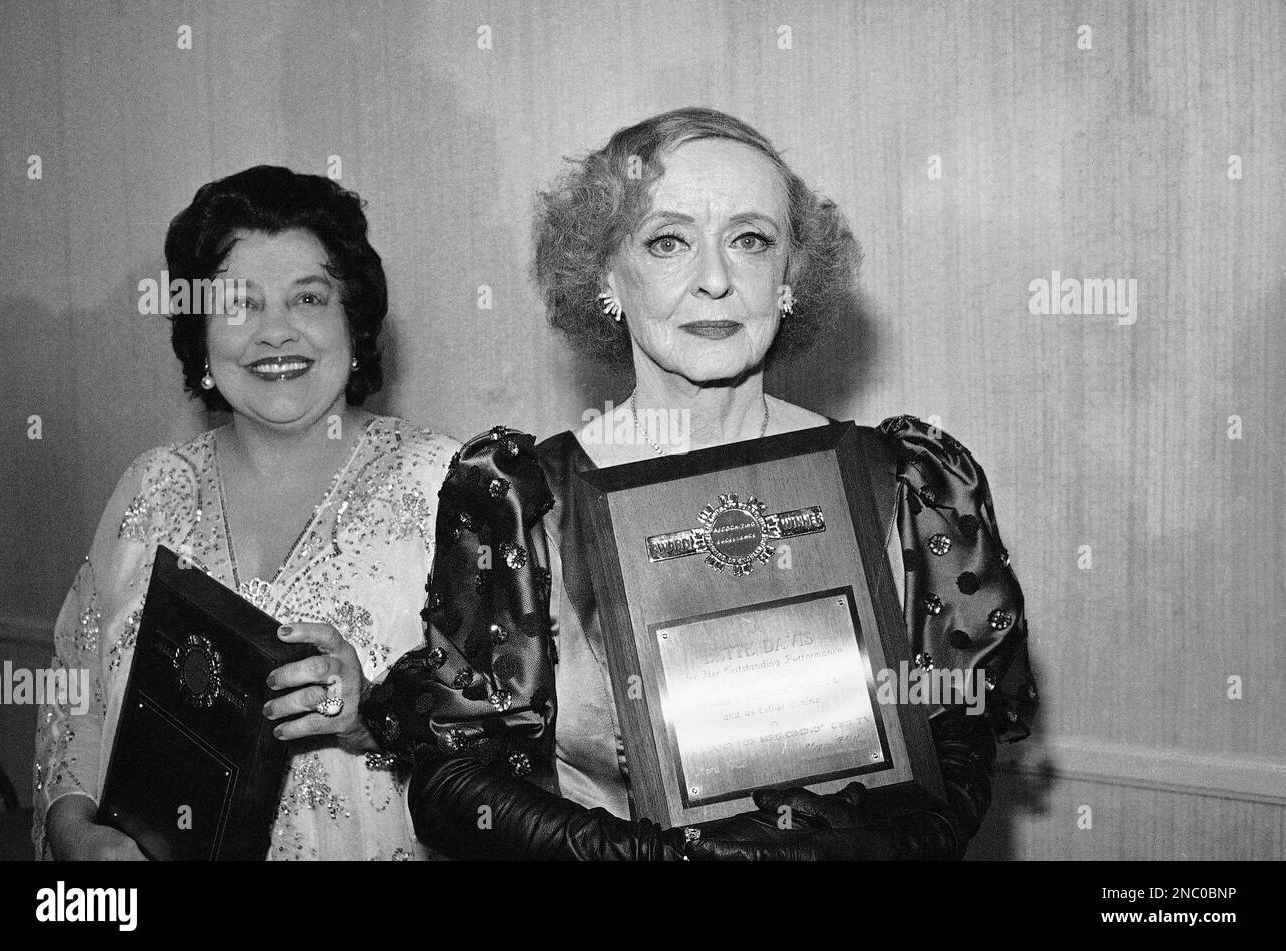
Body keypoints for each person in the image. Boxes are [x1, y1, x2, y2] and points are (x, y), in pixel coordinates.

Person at [345, 107, 1037, 859]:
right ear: (607, 272)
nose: (715, 280)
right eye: (669, 241)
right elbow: (452, 786)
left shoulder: (905, 481)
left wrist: (907, 838)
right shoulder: (520, 499)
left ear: (791, 275)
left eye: (750, 240)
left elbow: (957, 727)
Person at [33, 165, 458, 860]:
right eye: (239, 303)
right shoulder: (149, 488)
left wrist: (376, 716)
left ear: (354, 322)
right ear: (200, 337)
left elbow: (511, 757)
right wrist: (76, 830)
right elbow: (73, 701)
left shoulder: (446, 488)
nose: (275, 333)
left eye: (309, 298)